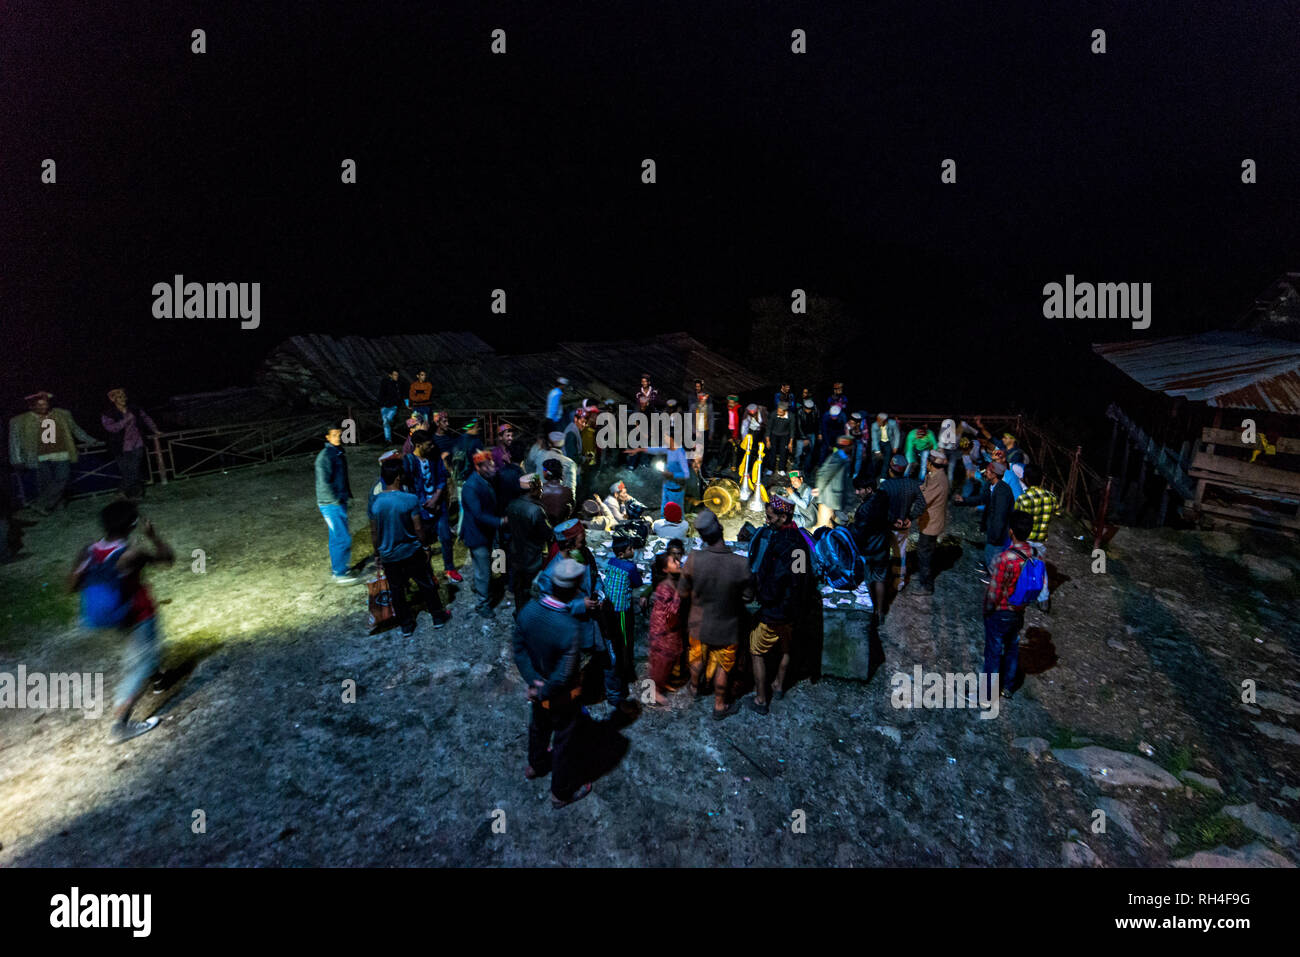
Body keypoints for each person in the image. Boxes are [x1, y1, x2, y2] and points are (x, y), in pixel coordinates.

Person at [70, 500, 174, 742]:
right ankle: (120, 725)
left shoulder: (89, 551)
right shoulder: (132, 553)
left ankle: (159, 678)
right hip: (139, 613)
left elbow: (72, 585)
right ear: (133, 524)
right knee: (141, 663)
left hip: (117, 616)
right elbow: (167, 558)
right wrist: (153, 536)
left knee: (140, 651)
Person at [512, 557, 593, 809]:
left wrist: (533, 684)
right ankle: (560, 792)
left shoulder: (529, 610)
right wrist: (545, 690)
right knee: (564, 741)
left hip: (538, 686)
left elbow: (519, 649)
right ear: (575, 589)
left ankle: (535, 766)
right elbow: (565, 673)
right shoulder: (569, 628)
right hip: (560, 694)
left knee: (538, 727)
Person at [677, 508, 754, 720]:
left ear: (701, 537)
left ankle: (693, 688)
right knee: (723, 666)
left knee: (697, 657)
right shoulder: (741, 564)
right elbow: (748, 597)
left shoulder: (694, 559)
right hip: (727, 628)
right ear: (720, 528)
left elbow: (682, 592)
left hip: (698, 624)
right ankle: (719, 705)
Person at [370, 458, 451, 636]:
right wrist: (425, 546)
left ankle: (406, 625)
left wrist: (378, 554)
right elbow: (418, 528)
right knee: (426, 584)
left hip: (389, 555)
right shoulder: (410, 499)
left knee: (397, 590)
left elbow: (375, 533)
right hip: (411, 551)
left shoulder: (376, 503)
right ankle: (438, 616)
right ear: (398, 477)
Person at [746, 496, 811, 714]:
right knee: (786, 646)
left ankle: (761, 700)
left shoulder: (782, 543)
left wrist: (762, 596)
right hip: (792, 610)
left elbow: (777, 581)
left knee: (756, 650)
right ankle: (779, 685)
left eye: (770, 517)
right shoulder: (799, 541)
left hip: (776, 611)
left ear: (783, 517)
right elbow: (800, 576)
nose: (767, 521)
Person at [8, 391, 97, 516]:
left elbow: (75, 429)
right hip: (38, 456)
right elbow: (14, 441)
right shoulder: (19, 421)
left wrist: (90, 440)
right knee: (46, 483)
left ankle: (41, 504)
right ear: (31, 406)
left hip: (62, 452)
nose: (44, 407)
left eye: (45, 404)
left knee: (63, 479)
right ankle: (55, 507)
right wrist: (16, 459)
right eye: (39, 405)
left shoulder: (62, 414)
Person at [981, 510, 1036, 700]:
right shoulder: (1033, 554)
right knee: (1012, 648)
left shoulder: (1005, 558)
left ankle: (987, 694)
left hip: (1000, 612)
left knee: (993, 652)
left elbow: (994, 591)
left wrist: (987, 610)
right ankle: (1008, 687)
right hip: (1019, 612)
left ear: (1011, 531)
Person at [601, 535, 648, 712]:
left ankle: (623, 665)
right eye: (630, 549)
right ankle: (626, 671)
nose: (633, 551)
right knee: (625, 639)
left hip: (609, 606)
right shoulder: (630, 567)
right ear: (622, 553)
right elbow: (638, 583)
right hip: (621, 609)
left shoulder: (612, 562)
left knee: (615, 638)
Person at [459, 449, 507, 618]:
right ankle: (482, 604)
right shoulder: (471, 487)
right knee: (483, 571)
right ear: (478, 467)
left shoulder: (485, 479)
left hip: (486, 531)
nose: (493, 468)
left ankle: (489, 587)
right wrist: (500, 522)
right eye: (489, 466)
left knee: (490, 564)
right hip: (477, 535)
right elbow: (478, 514)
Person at [315, 425, 360, 584]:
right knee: (342, 537)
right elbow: (323, 482)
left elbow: (342, 478)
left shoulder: (338, 452)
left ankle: (339, 569)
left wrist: (348, 495)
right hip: (331, 503)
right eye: (334, 435)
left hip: (337, 501)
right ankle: (341, 573)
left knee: (336, 536)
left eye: (339, 434)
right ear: (327, 437)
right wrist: (335, 501)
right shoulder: (326, 456)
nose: (338, 437)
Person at [101, 388, 160, 502]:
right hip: (119, 447)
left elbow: (146, 418)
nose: (123, 398)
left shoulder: (134, 409)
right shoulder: (107, 414)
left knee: (133, 468)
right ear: (113, 400)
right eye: (119, 397)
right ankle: (137, 494)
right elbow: (112, 428)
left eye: (124, 396)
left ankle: (121, 492)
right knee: (128, 471)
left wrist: (155, 429)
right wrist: (126, 420)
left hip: (137, 443)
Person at [506, 473, 552, 613]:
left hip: (515, 554)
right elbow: (547, 534)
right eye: (540, 488)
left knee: (519, 589)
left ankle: (520, 613)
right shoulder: (536, 511)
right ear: (533, 489)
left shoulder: (512, 504)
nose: (541, 491)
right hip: (532, 558)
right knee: (532, 591)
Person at [1016, 463, 1059, 612]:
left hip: (1025, 539)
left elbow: (1017, 517)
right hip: (1040, 540)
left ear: (1026, 479)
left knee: (1020, 567)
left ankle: (1019, 597)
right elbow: (1057, 512)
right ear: (1042, 479)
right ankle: (1044, 599)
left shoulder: (1023, 498)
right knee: (1040, 569)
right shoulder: (1051, 497)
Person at [879, 454, 925, 591]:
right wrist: (910, 518)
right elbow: (922, 504)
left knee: (883, 553)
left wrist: (892, 519)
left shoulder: (885, 486)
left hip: (887, 526)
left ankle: (882, 580)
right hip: (903, 527)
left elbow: (880, 507)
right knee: (901, 554)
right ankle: (898, 583)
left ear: (891, 469)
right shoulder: (913, 485)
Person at [646, 548, 685, 705]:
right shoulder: (665, 587)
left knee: (669, 659)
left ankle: (662, 683)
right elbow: (670, 613)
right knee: (661, 660)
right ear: (665, 569)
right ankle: (654, 691)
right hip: (663, 629)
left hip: (670, 628)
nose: (678, 562)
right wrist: (679, 595)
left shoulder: (673, 582)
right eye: (673, 561)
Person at [851, 476, 893, 621]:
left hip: (869, 550)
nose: (856, 492)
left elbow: (859, 532)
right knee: (880, 579)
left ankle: (872, 607)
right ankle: (880, 611)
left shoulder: (864, 509)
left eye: (859, 489)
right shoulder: (883, 498)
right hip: (883, 547)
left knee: (869, 578)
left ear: (869, 489)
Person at [914, 449, 950, 595]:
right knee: (926, 552)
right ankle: (925, 580)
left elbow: (924, 499)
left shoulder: (938, 480)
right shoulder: (934, 475)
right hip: (930, 522)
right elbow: (924, 488)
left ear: (930, 463)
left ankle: (926, 586)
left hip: (931, 524)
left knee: (924, 554)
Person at [814, 435, 855, 528]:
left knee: (829, 526)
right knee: (823, 526)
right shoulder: (838, 457)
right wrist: (819, 490)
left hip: (834, 499)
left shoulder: (841, 457)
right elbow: (824, 475)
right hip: (829, 498)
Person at [869, 412, 902, 484]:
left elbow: (897, 434)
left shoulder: (892, 423)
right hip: (879, 442)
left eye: (879, 420)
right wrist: (877, 451)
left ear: (885, 420)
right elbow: (874, 439)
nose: (878, 422)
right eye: (877, 420)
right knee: (875, 459)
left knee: (887, 460)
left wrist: (895, 447)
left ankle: (883, 477)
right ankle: (872, 475)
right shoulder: (874, 425)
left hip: (888, 442)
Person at [540, 458, 575, 525]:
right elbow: (571, 507)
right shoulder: (568, 491)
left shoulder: (539, 490)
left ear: (548, 472)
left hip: (543, 526)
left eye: (544, 469)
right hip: (561, 526)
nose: (543, 471)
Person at [377, 369, 405, 443]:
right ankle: (388, 439)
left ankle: (392, 421)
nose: (396, 376)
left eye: (397, 375)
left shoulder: (399, 384)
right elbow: (381, 394)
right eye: (395, 375)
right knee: (385, 422)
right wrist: (381, 405)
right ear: (390, 375)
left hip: (393, 406)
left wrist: (399, 403)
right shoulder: (384, 382)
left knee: (387, 420)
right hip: (384, 406)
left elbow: (402, 395)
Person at [794, 397, 820, 474]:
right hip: (801, 435)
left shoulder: (815, 411)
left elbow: (818, 422)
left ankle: (806, 470)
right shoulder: (799, 412)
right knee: (799, 452)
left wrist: (819, 433)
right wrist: (804, 438)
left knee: (810, 452)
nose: (808, 411)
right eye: (807, 409)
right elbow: (798, 426)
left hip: (811, 434)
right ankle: (796, 468)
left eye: (810, 409)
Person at [768, 401, 794, 475]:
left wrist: (790, 442)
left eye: (780, 412)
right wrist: (767, 440)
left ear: (785, 411)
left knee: (783, 452)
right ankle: (770, 469)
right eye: (777, 410)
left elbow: (792, 429)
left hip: (785, 435)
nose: (778, 412)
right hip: (774, 434)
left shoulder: (791, 416)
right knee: (772, 451)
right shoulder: (773, 414)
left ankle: (781, 469)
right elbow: (769, 427)